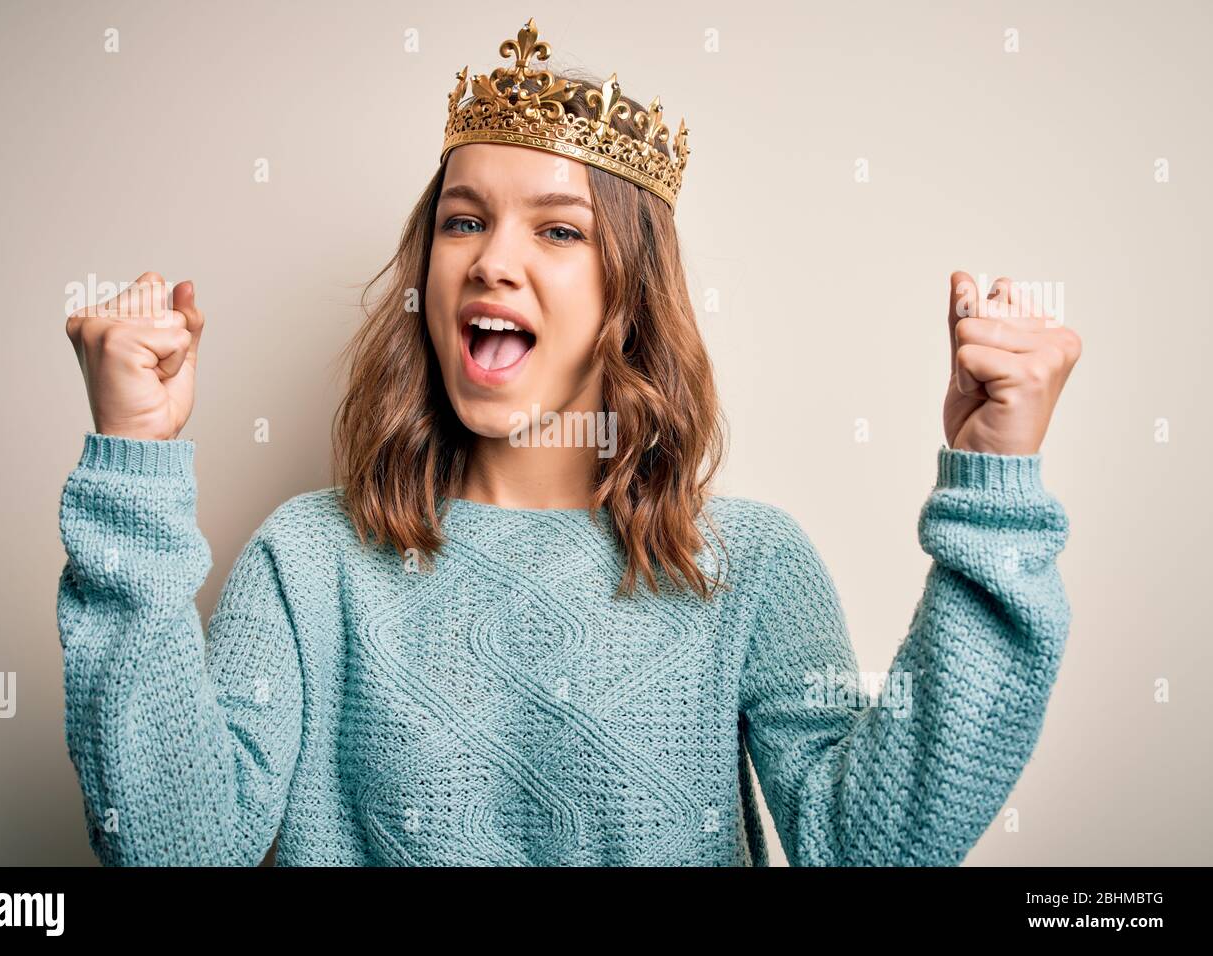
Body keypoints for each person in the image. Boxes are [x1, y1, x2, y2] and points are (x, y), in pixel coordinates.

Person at [57, 17, 1082, 866]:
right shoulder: (309, 559)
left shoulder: (753, 568)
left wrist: (994, 482)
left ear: (623, 300)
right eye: (463, 222)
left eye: (557, 229)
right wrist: (135, 469)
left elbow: (869, 848)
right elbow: (168, 850)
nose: (491, 259)